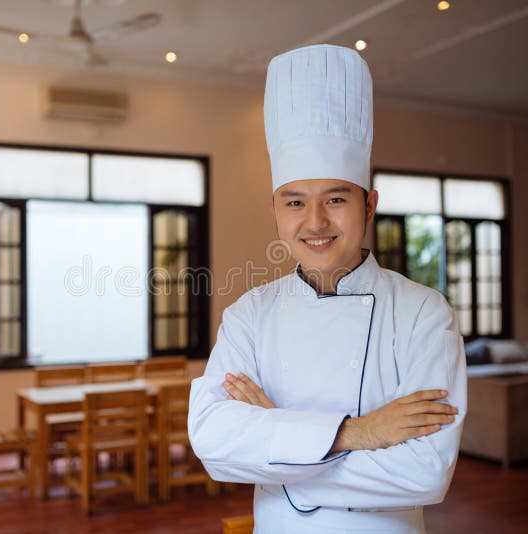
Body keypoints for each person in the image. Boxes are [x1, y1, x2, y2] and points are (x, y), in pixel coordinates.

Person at [188, 44, 467, 533]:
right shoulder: (249, 314)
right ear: (275, 210)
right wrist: (358, 433)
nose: (314, 222)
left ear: (370, 205)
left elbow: (425, 473)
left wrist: (277, 440)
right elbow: (213, 443)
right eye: (294, 202)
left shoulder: (424, 313)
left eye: (335, 198)